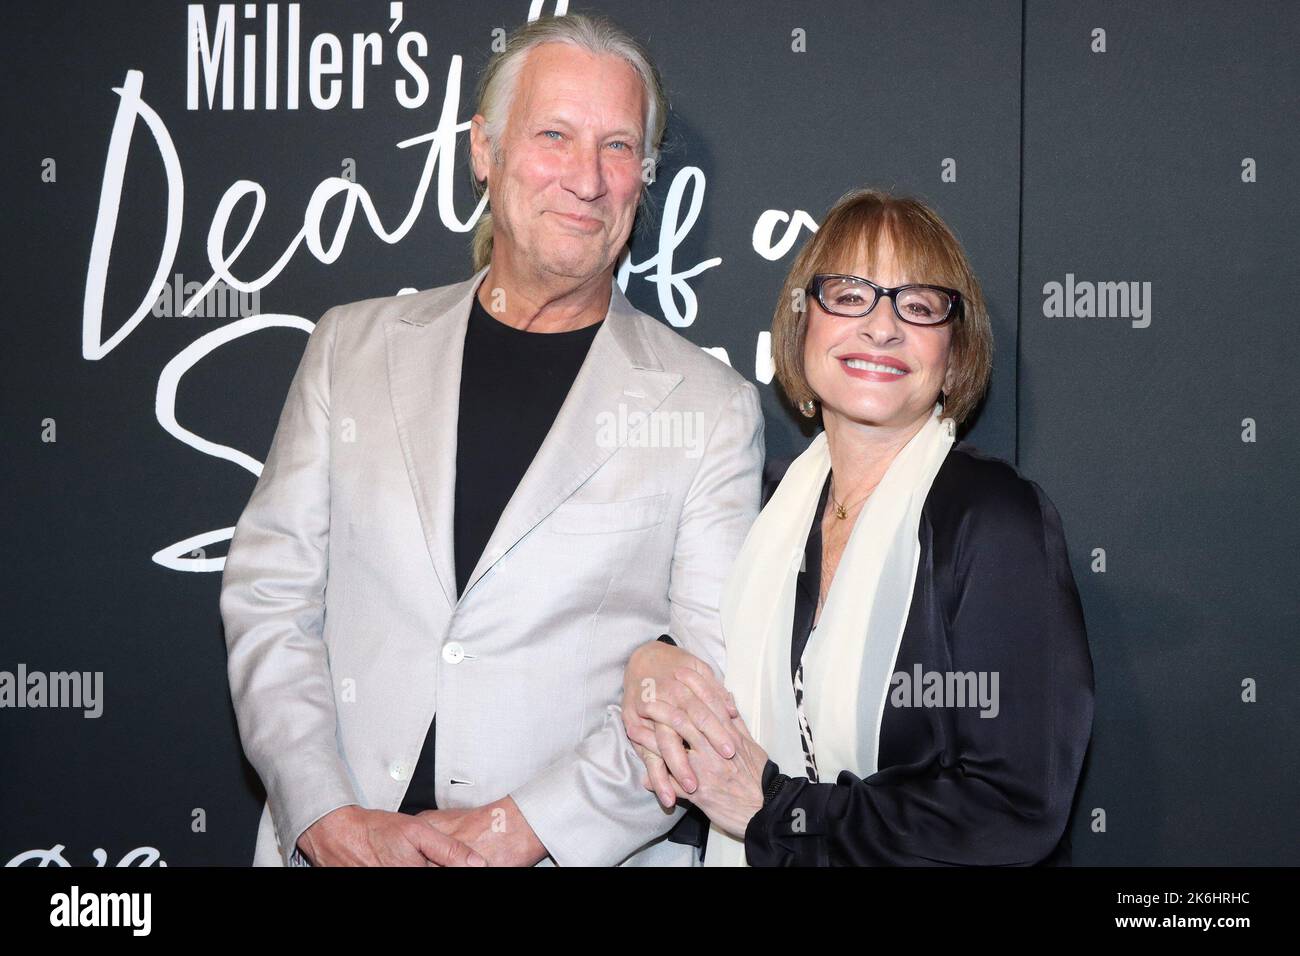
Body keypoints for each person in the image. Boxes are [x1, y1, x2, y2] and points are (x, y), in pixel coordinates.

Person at [220, 13, 764, 867]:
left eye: (618, 147)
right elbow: (269, 602)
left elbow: (706, 688)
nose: (586, 179)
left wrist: (509, 834)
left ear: (644, 178)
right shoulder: (349, 350)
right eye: (554, 135)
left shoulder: (709, 410)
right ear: (485, 150)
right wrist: (324, 816)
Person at [622, 188, 1094, 865]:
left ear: (953, 355)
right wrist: (654, 655)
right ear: (801, 325)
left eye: (920, 304)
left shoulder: (991, 519)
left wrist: (780, 812)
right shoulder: (765, 506)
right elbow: (711, 645)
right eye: (849, 295)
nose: (881, 326)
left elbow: (1013, 809)